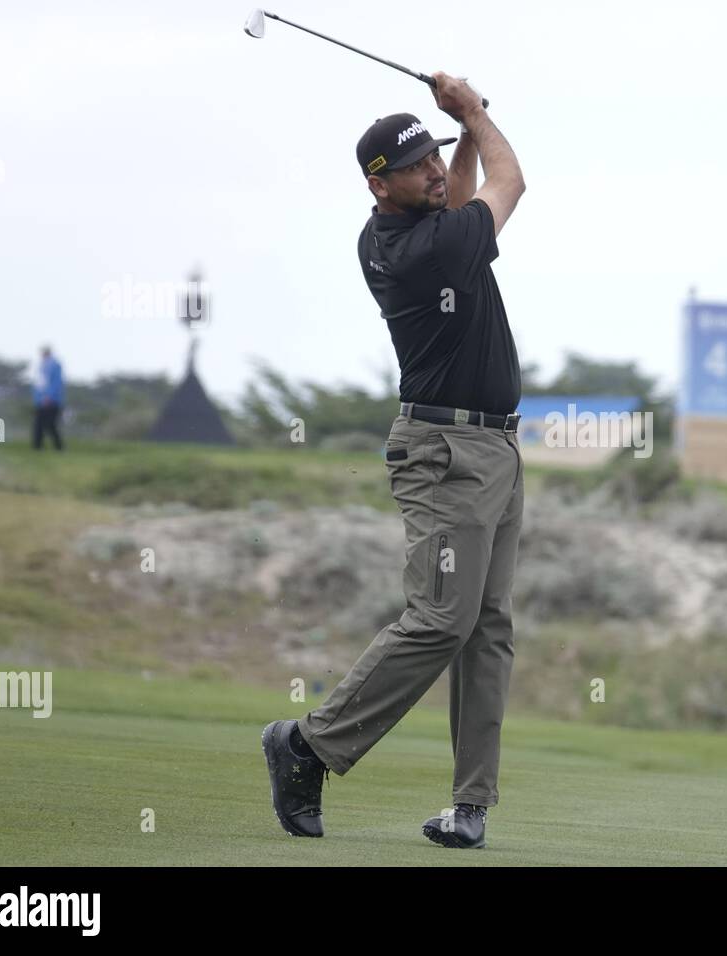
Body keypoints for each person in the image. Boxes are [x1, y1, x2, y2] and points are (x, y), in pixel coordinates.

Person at [262, 72, 527, 850]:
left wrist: (465, 132)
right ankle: (306, 745)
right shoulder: (420, 249)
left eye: (436, 157)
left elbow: (469, 195)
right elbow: (511, 184)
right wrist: (474, 114)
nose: (434, 171)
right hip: (446, 453)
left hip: (496, 449)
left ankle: (469, 806)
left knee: (488, 626)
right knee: (443, 618)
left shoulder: (429, 227)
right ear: (378, 185)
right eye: (416, 167)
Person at [31, 346, 65, 451]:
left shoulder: (55, 365)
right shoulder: (41, 366)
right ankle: (37, 447)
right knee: (39, 425)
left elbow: (56, 383)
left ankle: (58, 447)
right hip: (41, 401)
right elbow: (39, 385)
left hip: (52, 402)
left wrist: (49, 397)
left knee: (50, 425)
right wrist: (38, 398)